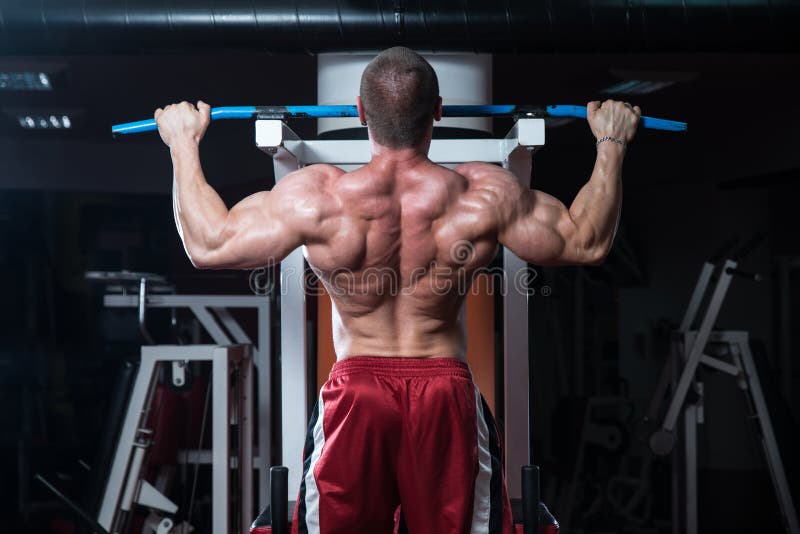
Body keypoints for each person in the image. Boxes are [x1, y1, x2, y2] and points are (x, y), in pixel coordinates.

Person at [154, 46, 641, 534]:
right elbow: (585, 241)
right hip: (443, 391)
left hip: (355, 396)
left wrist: (182, 145)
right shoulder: (482, 195)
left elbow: (208, 245)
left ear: (361, 112)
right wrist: (611, 144)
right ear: (439, 111)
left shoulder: (318, 196)